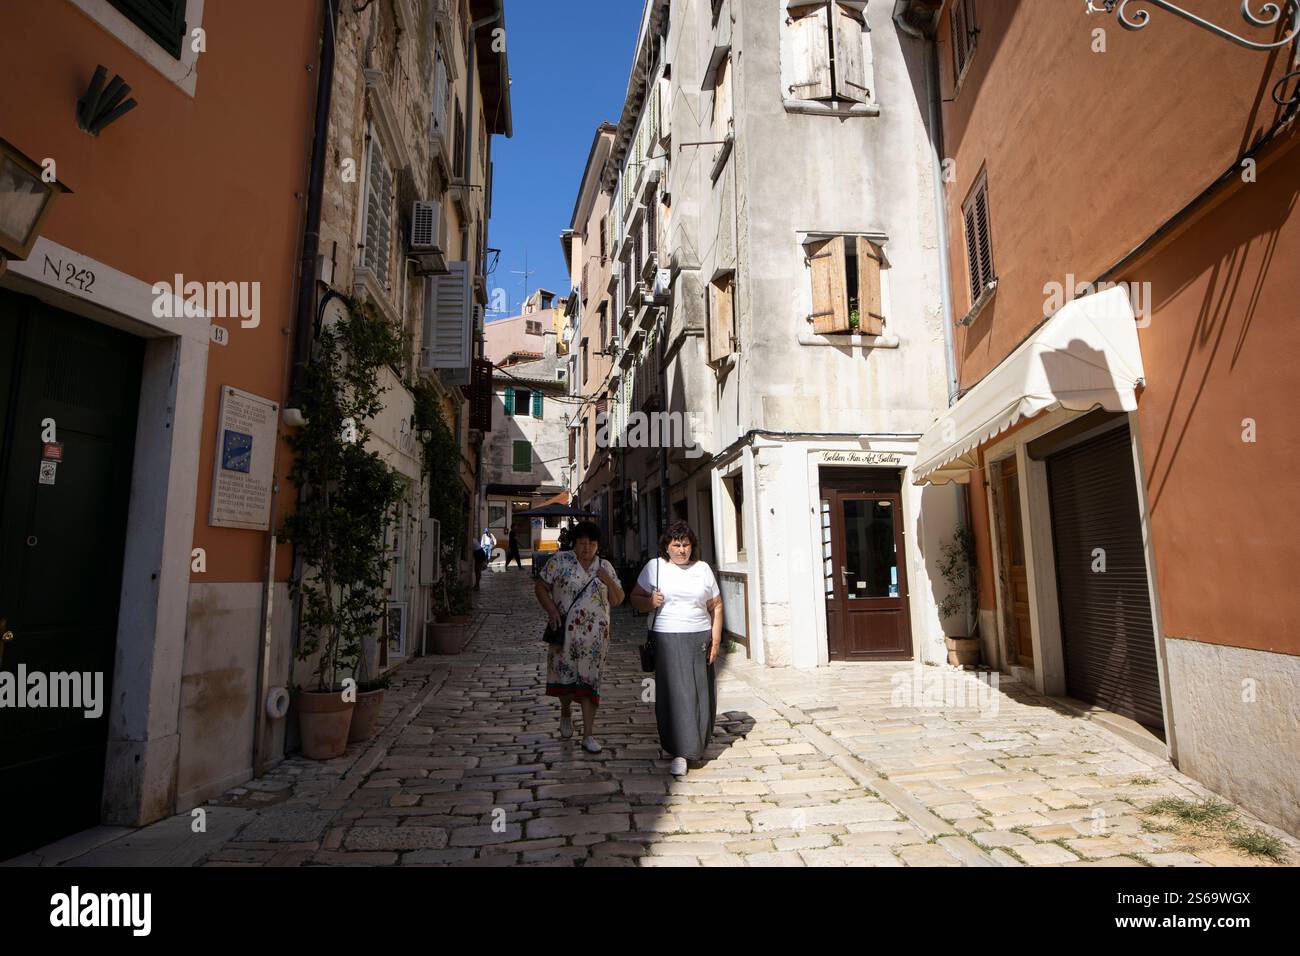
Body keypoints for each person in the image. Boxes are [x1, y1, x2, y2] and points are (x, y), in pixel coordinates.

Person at [630, 520, 722, 777]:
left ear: (692, 546)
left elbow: (716, 605)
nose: (682, 550)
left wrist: (715, 641)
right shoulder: (655, 567)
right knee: (674, 696)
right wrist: (650, 601)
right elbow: (634, 599)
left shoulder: (703, 569)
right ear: (667, 547)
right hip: (667, 638)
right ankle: (680, 751)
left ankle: (697, 745)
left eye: (686, 545)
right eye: (676, 545)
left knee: (699, 692)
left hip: (698, 637)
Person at [534, 521, 625, 753]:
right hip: (565, 635)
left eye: (591, 543)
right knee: (565, 683)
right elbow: (541, 587)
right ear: (574, 543)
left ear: (598, 546)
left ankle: (588, 735)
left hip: (595, 641)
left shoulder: (605, 566)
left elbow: (618, 599)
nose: (586, 548)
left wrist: (608, 580)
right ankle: (565, 711)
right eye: (582, 542)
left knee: (590, 683)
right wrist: (552, 610)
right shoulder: (560, 561)